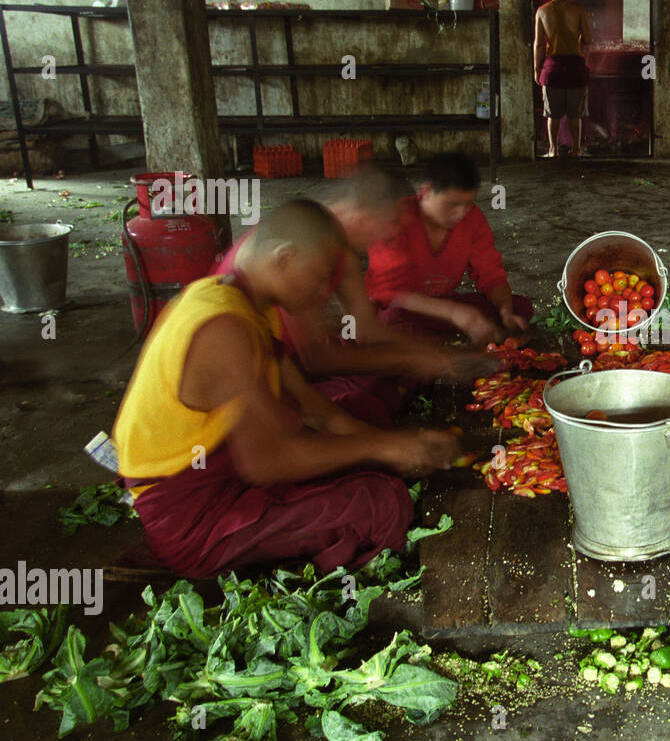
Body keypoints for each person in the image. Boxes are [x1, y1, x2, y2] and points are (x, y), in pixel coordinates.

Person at [113, 200, 463, 578]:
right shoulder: (223, 327)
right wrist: (385, 447)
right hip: (196, 523)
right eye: (318, 278)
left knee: (363, 412)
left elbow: (316, 410)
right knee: (380, 505)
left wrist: (391, 447)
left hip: (232, 470)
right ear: (283, 258)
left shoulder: (248, 304)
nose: (321, 296)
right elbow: (267, 463)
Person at [212, 164, 490, 426]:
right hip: (257, 371)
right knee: (363, 405)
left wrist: (433, 353)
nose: (393, 235)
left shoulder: (341, 252)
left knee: (393, 379)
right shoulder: (299, 252)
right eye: (392, 223)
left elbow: (367, 329)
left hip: (289, 359)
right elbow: (315, 358)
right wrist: (414, 359)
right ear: (361, 213)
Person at [365, 151, 534, 344]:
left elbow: (491, 275)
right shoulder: (395, 218)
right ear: (426, 192)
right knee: (392, 319)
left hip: (443, 305)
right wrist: (455, 314)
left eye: (468, 204)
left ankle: (437, 343)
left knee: (520, 306)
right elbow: (388, 292)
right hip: (400, 311)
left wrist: (506, 314)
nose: (461, 213)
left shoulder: (473, 219)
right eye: (452, 205)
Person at [534, 0, 592, 158]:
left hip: (552, 67)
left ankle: (553, 150)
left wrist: (537, 69)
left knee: (553, 114)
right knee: (575, 115)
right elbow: (588, 39)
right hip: (575, 66)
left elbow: (539, 44)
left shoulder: (542, 11)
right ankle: (576, 149)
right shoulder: (578, 10)